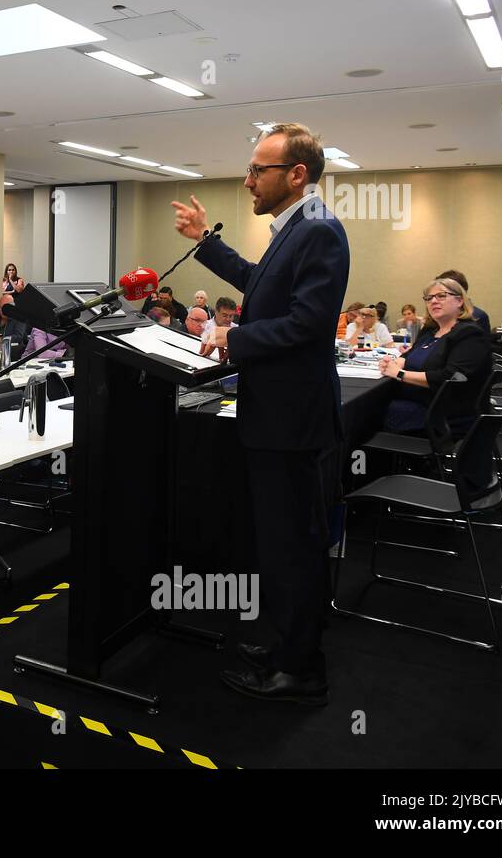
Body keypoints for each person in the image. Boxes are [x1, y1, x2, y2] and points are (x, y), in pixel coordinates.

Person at [172, 121, 349, 706]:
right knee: (282, 540)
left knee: (292, 543)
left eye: (258, 170)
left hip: (290, 420)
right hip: (278, 415)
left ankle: (301, 670)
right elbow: (256, 282)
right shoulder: (293, 230)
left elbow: (308, 324)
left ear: (296, 174)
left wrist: (233, 338)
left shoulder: (320, 231)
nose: (248, 180)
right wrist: (205, 241)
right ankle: (290, 646)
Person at [379, 277, 491, 436]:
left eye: (441, 296)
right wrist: (396, 362)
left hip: (441, 414)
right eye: (429, 298)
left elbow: (450, 377)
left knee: (370, 412)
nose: (433, 301)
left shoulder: (469, 334)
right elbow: (411, 352)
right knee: (371, 404)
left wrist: (399, 373)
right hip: (417, 400)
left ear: (459, 301)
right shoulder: (431, 331)